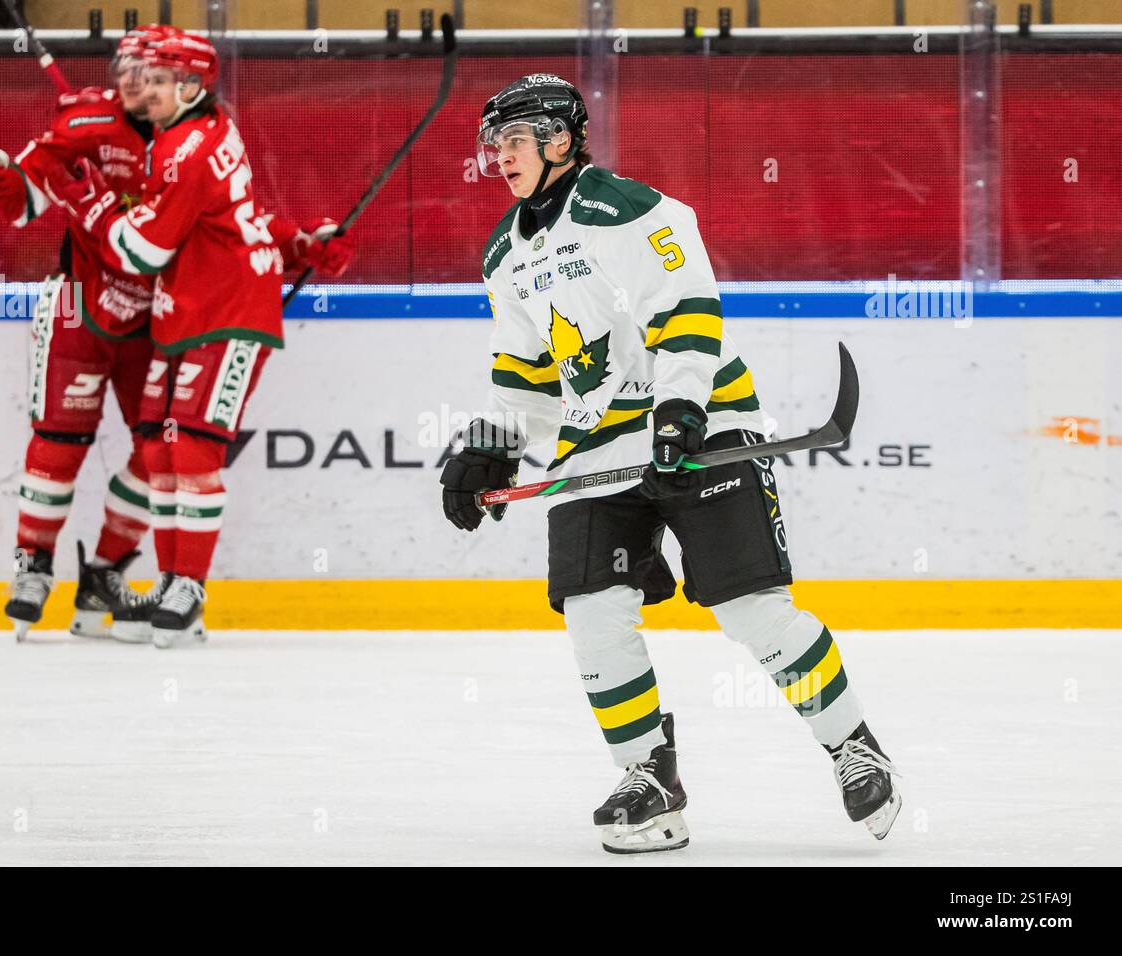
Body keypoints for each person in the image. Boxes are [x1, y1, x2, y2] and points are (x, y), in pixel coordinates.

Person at [439, 74, 900, 853]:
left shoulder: (633, 210)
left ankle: (851, 743)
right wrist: (490, 448)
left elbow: (688, 310)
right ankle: (648, 777)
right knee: (591, 614)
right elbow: (525, 381)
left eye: (515, 140)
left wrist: (680, 412)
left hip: (703, 422)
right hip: (595, 448)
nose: (501, 156)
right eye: (496, 144)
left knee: (750, 609)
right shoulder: (503, 254)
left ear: (559, 139)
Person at [48, 33, 356, 647]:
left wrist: (92, 203)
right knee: (160, 453)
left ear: (190, 87)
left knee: (190, 452)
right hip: (187, 310)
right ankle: (170, 582)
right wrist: (297, 240)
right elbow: (228, 215)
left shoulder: (185, 147)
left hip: (229, 311)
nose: (144, 88)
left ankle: (187, 586)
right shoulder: (189, 134)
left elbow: (144, 249)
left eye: (159, 80)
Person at [0, 24, 184, 640]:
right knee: (58, 442)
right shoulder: (85, 123)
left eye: (150, 69)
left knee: (163, 451)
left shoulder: (198, 138)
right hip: (78, 307)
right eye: (127, 67)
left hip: (156, 316)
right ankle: (32, 565)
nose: (135, 80)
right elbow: (24, 197)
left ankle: (105, 571)